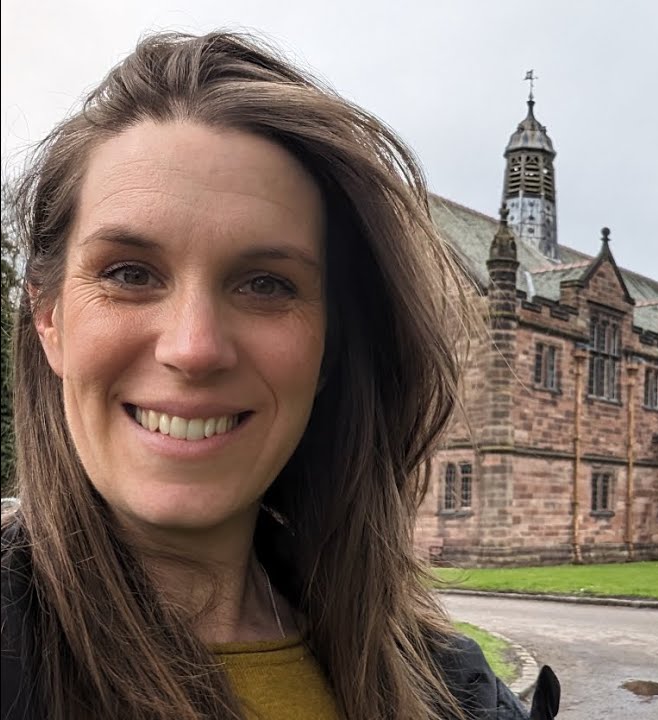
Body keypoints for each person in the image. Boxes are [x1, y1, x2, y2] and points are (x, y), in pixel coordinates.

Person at [0, 31, 558, 720]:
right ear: (48, 317)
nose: (194, 348)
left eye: (266, 283)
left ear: (330, 347)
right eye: (129, 274)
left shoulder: (448, 684)